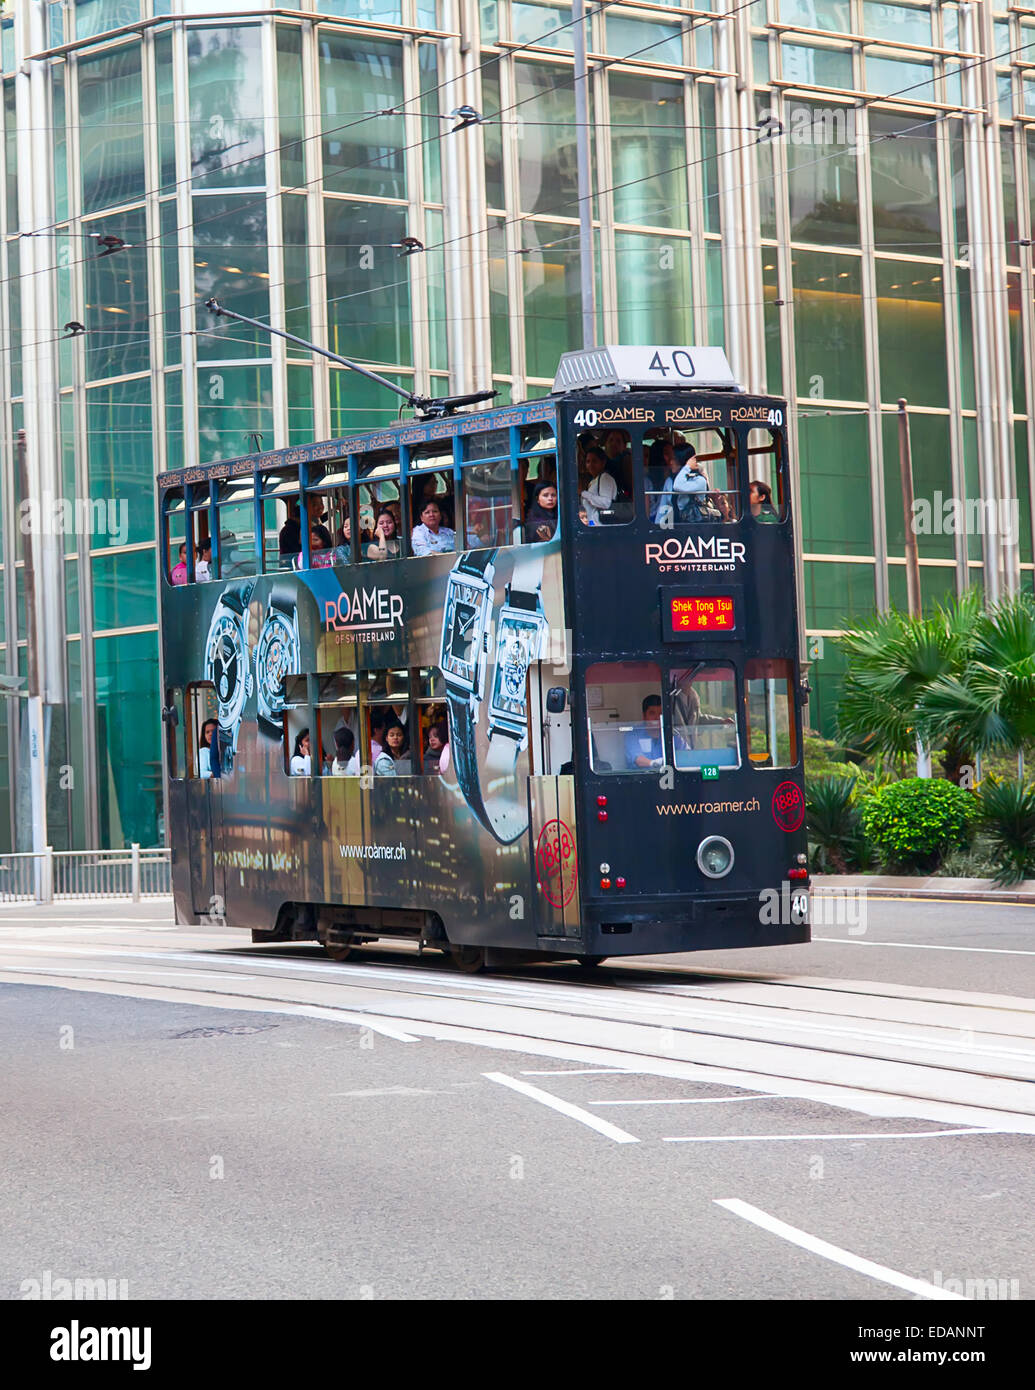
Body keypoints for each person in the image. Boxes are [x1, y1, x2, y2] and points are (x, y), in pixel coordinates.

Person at [623, 695, 687, 770]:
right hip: (641, 779)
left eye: (661, 714)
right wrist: (656, 763)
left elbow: (687, 754)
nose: (657, 718)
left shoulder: (673, 734)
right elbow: (638, 760)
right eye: (652, 713)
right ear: (644, 716)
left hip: (670, 777)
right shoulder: (632, 735)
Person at [580, 446, 617, 523]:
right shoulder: (594, 480)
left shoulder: (605, 478)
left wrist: (583, 493)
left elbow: (606, 503)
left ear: (603, 462)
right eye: (588, 461)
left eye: (594, 461)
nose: (590, 465)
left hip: (602, 526)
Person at [650, 442, 682, 525]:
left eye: (673, 455)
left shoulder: (691, 479)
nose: (671, 459)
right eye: (667, 454)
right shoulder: (668, 481)